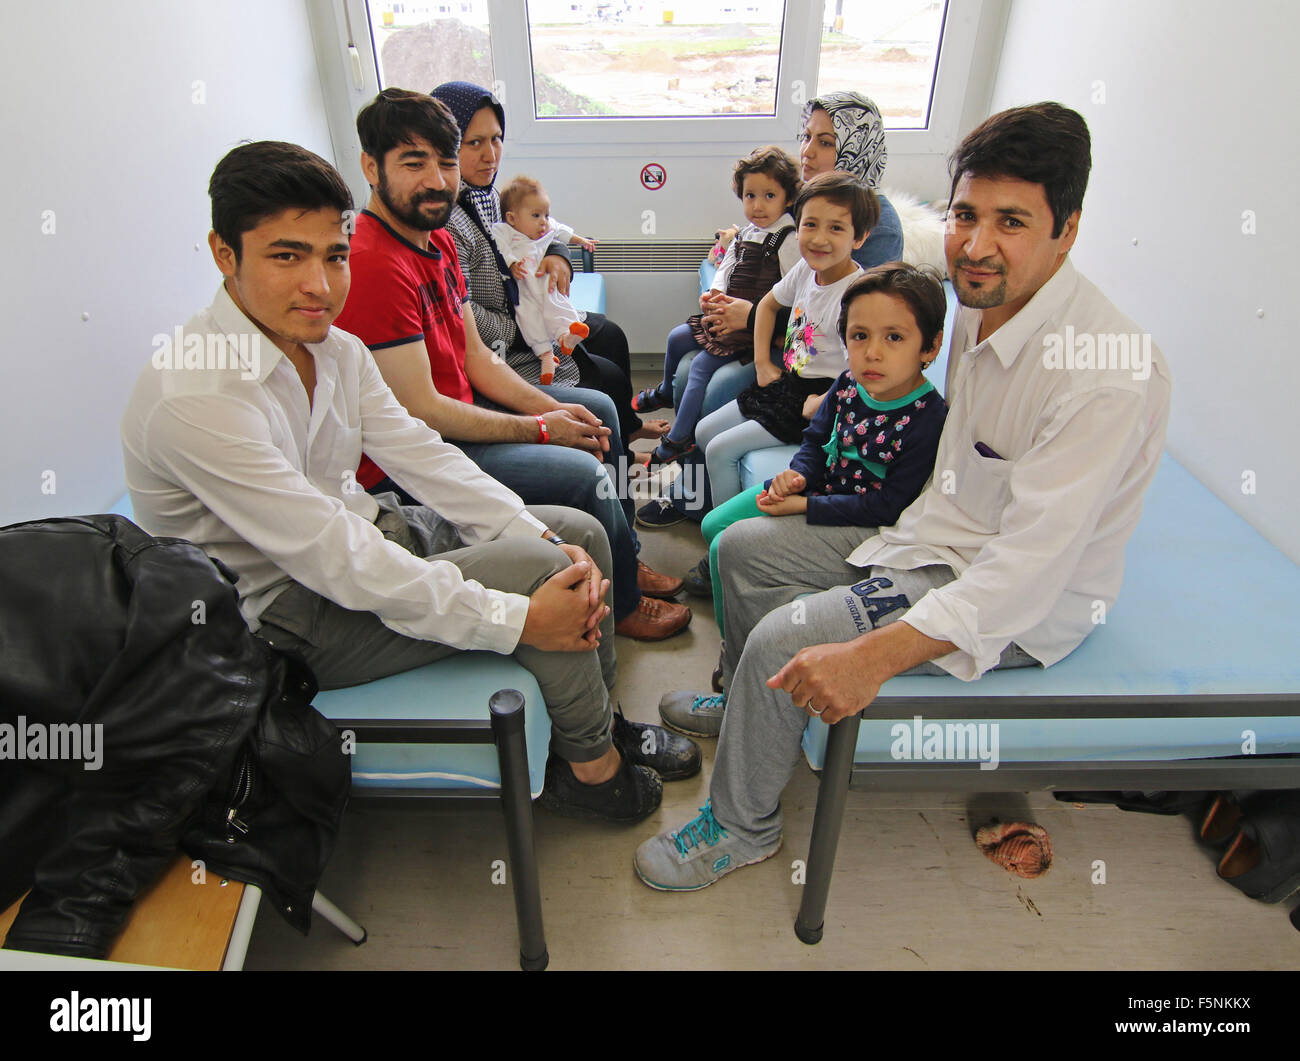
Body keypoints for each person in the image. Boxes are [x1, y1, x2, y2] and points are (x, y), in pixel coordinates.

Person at [634, 102, 1172, 890]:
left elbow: (1025, 571)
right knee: (738, 547)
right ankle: (749, 699)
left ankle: (743, 826)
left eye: (1013, 221)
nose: (977, 244)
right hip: (930, 530)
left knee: (791, 633)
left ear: (1069, 228)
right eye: (965, 214)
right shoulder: (980, 307)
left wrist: (870, 656)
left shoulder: (1103, 375)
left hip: (1006, 594)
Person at [120, 140, 699, 826]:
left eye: (333, 255)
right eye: (286, 255)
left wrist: (533, 527)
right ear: (224, 254)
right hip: (279, 615)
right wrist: (516, 618)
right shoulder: (198, 395)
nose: (320, 284)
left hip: (370, 531)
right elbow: (335, 558)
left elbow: (423, 455)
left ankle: (598, 721)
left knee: (575, 534)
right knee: (545, 575)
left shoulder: (332, 349)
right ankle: (592, 771)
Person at [331, 89, 690, 641]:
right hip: (417, 460)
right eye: (413, 162)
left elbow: (475, 357)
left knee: (595, 410)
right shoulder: (374, 263)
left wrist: (554, 409)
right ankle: (621, 606)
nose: (436, 178)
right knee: (584, 473)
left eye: (445, 161)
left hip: (461, 411)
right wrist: (543, 427)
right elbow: (422, 412)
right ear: (369, 167)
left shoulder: (437, 242)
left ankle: (624, 559)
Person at [637, 91, 903, 531]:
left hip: (807, 365)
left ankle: (696, 499)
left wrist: (753, 321)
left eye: (826, 142)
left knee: (710, 379)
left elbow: (854, 333)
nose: (808, 151)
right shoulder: (807, 209)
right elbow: (779, 259)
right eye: (807, 137)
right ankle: (694, 491)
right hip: (788, 355)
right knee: (688, 368)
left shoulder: (875, 227)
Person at [695, 263, 949, 643]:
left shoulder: (928, 417)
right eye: (859, 336)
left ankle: (740, 647)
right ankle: (733, 630)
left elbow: (889, 506)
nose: (872, 353)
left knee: (722, 548)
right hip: (815, 490)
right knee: (712, 525)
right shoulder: (848, 383)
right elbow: (815, 440)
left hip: (854, 518)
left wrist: (803, 506)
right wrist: (798, 475)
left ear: (930, 346)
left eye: (894, 338)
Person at [430, 80, 666, 453]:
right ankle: (614, 453)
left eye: (496, 139)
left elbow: (532, 225)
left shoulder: (486, 194)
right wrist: (522, 328)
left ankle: (626, 433)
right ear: (443, 145)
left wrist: (558, 253)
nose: (490, 155)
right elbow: (462, 312)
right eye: (473, 143)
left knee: (611, 335)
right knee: (603, 379)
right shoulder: (444, 220)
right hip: (509, 339)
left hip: (531, 302)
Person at [698, 171, 876, 510]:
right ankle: (724, 514)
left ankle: (730, 541)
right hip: (788, 385)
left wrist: (824, 401)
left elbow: (864, 369)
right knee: (705, 431)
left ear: (859, 237)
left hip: (818, 402)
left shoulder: (857, 296)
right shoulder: (807, 269)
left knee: (720, 449)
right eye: (810, 225)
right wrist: (764, 364)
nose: (819, 239)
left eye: (836, 228)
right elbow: (767, 305)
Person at [632, 145, 802, 466]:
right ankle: (667, 391)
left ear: (788, 198)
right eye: (750, 196)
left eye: (769, 196)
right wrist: (714, 293)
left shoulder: (787, 239)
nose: (757, 205)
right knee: (676, 338)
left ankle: (678, 437)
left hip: (754, 329)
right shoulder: (746, 233)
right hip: (726, 315)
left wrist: (750, 316)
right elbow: (726, 267)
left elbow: (792, 291)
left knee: (699, 368)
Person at [490, 174, 591, 384]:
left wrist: (581, 241)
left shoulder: (545, 229)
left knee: (559, 305)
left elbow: (561, 231)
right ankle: (546, 357)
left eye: (546, 214)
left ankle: (567, 336)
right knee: (529, 320)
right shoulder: (506, 231)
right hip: (524, 290)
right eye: (536, 215)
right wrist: (510, 263)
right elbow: (499, 244)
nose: (544, 222)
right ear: (512, 218)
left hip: (545, 283)